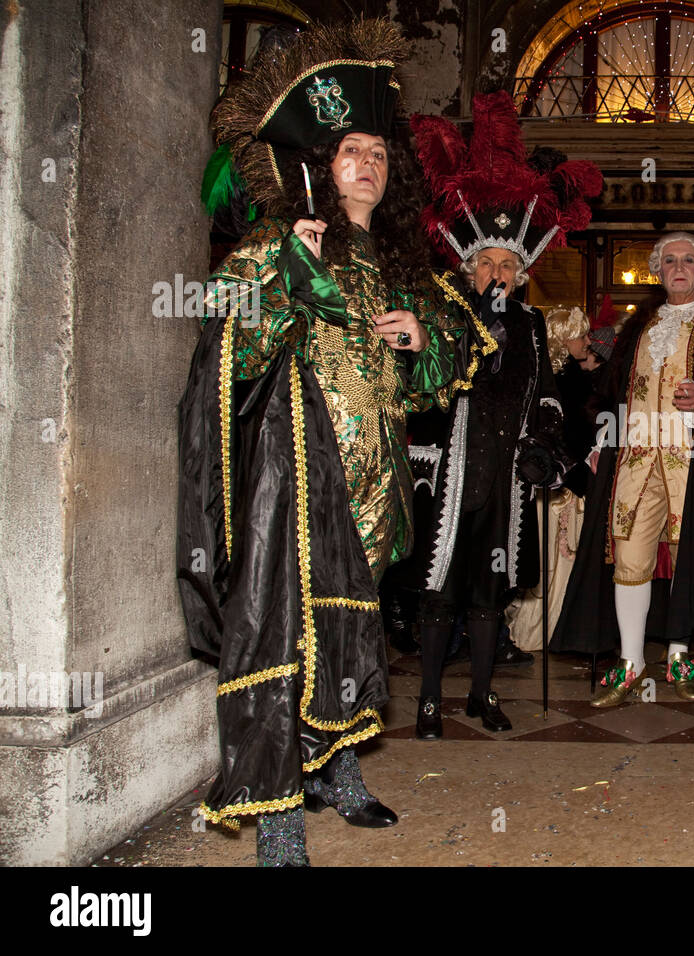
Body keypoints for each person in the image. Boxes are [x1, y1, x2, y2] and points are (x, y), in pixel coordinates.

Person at [177, 20, 484, 865]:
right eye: (352, 150)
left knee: (351, 636)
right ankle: (278, 816)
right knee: (282, 635)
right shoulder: (277, 244)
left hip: (374, 484)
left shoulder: (406, 269)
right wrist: (282, 276)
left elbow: (449, 364)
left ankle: (339, 773)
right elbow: (227, 350)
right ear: (318, 162)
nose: (370, 164)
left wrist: (423, 338)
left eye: (380, 153)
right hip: (296, 485)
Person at [403, 92, 600, 738]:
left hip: (506, 480)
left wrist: (545, 446)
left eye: (507, 265)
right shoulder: (445, 311)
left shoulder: (534, 326)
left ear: (521, 274)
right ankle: (430, 699)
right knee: (440, 591)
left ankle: (480, 695)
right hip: (455, 474)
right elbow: (424, 390)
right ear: (469, 266)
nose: (496, 272)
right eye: (486, 262)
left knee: (491, 594)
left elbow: (545, 394)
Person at [552, 232, 694, 705]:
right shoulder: (637, 327)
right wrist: (602, 437)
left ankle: (677, 655)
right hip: (634, 461)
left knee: (687, 557)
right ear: (657, 270)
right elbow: (610, 394)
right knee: (629, 558)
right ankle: (630, 663)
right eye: (669, 260)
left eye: (687, 260)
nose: (678, 267)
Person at [506, 306, 604, 651]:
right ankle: (538, 633)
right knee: (553, 563)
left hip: (557, 484)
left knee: (554, 563)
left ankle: (543, 631)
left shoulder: (557, 376)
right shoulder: (562, 381)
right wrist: (577, 474)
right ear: (565, 338)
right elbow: (560, 437)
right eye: (582, 335)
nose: (587, 341)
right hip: (558, 485)